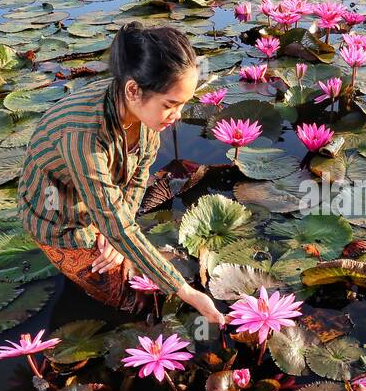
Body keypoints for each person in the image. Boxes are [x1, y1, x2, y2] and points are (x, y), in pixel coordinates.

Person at [18, 22, 227, 327]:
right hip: (57, 215)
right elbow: (114, 219)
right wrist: (186, 292)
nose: (178, 116)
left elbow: (137, 181)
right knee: (126, 300)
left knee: (131, 261)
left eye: (183, 105)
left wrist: (116, 238)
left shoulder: (146, 118)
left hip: (100, 200)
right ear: (133, 89)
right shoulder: (82, 135)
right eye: (171, 105)